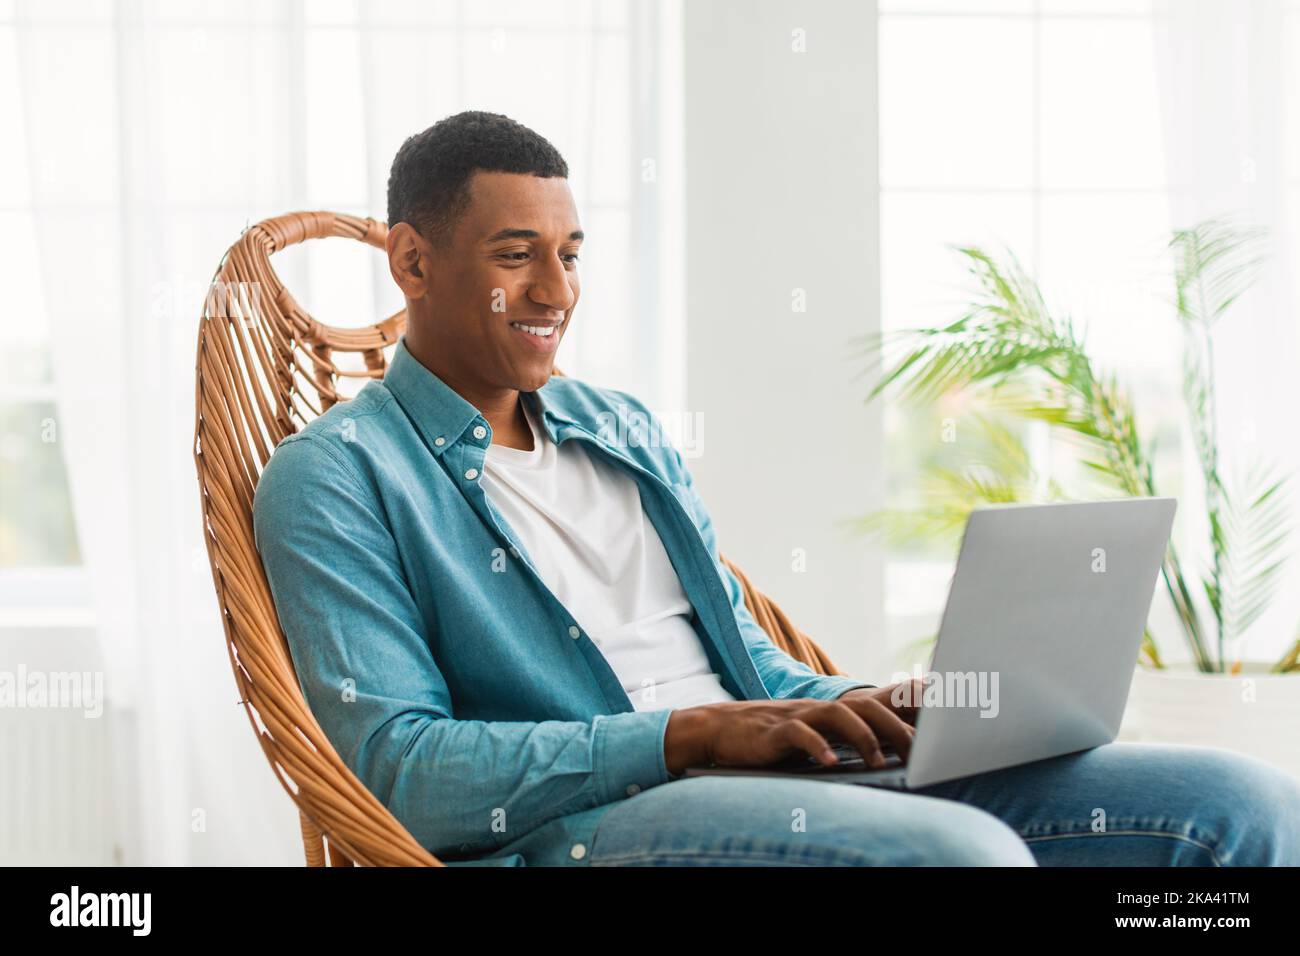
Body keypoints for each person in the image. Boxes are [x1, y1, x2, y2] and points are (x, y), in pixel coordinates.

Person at [252, 110, 1300, 867]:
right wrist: (685, 737)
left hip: (772, 777)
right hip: (580, 827)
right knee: (960, 858)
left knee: (1239, 804)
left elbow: (740, 663)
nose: (558, 292)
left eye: (571, 254)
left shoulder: (616, 428)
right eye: (516, 255)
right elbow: (403, 771)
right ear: (412, 261)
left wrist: (858, 704)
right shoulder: (337, 478)